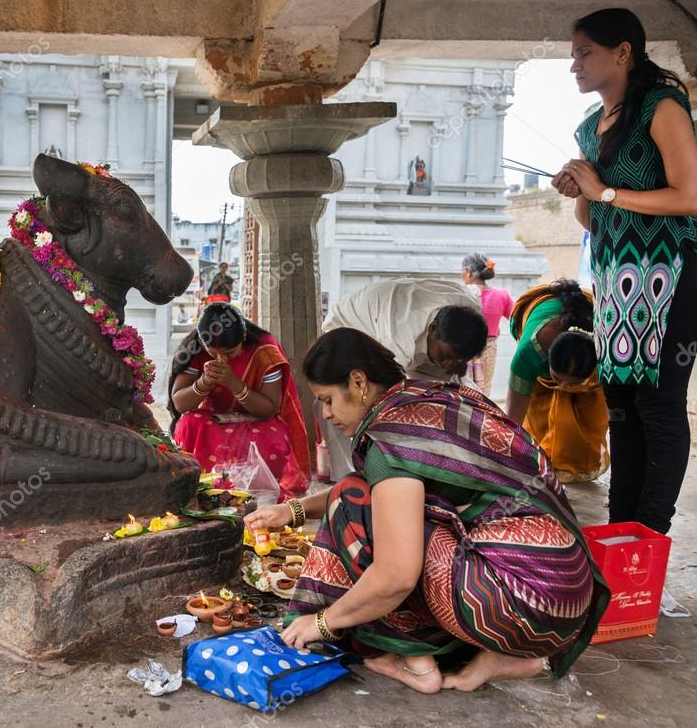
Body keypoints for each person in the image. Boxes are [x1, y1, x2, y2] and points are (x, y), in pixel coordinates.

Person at [245, 328, 608, 694]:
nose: (326, 415)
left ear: (358, 382)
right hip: (565, 601)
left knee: (349, 504)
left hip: (513, 599)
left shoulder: (389, 438)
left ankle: (414, 658)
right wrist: (293, 509)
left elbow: (396, 575)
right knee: (379, 504)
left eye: (327, 400)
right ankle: (510, 654)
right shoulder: (428, 399)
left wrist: (323, 622)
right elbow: (382, 486)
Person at [554, 7, 697, 535]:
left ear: (622, 52)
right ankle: (620, 535)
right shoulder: (590, 127)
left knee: (658, 404)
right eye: (572, 56)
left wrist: (604, 189)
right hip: (615, 275)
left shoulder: (662, 106)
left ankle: (649, 537)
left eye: (585, 52)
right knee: (621, 404)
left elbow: (691, 196)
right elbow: (595, 215)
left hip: (671, 270)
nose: (575, 66)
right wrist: (580, 191)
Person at [319, 278, 488, 480]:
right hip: (351, 329)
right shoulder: (398, 335)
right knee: (353, 406)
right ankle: (356, 477)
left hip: (412, 335)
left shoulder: (469, 314)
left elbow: (452, 376)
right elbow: (391, 399)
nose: (448, 365)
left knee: (458, 395)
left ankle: (470, 463)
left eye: (459, 360)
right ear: (433, 330)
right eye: (445, 357)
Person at [168, 302, 309, 499]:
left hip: (258, 419)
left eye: (229, 353)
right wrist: (204, 382)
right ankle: (205, 492)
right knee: (189, 424)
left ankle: (256, 496)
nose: (221, 359)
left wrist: (234, 384)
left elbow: (270, 408)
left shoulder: (264, 349)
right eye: (213, 352)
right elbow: (180, 403)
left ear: (242, 337)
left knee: (271, 440)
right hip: (213, 419)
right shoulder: (197, 348)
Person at [506, 280, 609, 483]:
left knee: (589, 415)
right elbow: (512, 420)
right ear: (547, 360)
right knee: (537, 417)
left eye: (573, 384)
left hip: (591, 349)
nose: (562, 388)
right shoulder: (529, 353)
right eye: (557, 378)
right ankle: (540, 461)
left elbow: (614, 414)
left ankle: (577, 464)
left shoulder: (607, 352)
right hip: (539, 345)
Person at [461, 253, 513, 397]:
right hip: (488, 350)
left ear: (468, 271)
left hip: (462, 350)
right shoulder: (502, 295)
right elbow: (518, 320)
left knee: (461, 389)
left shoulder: (461, 293)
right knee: (483, 391)